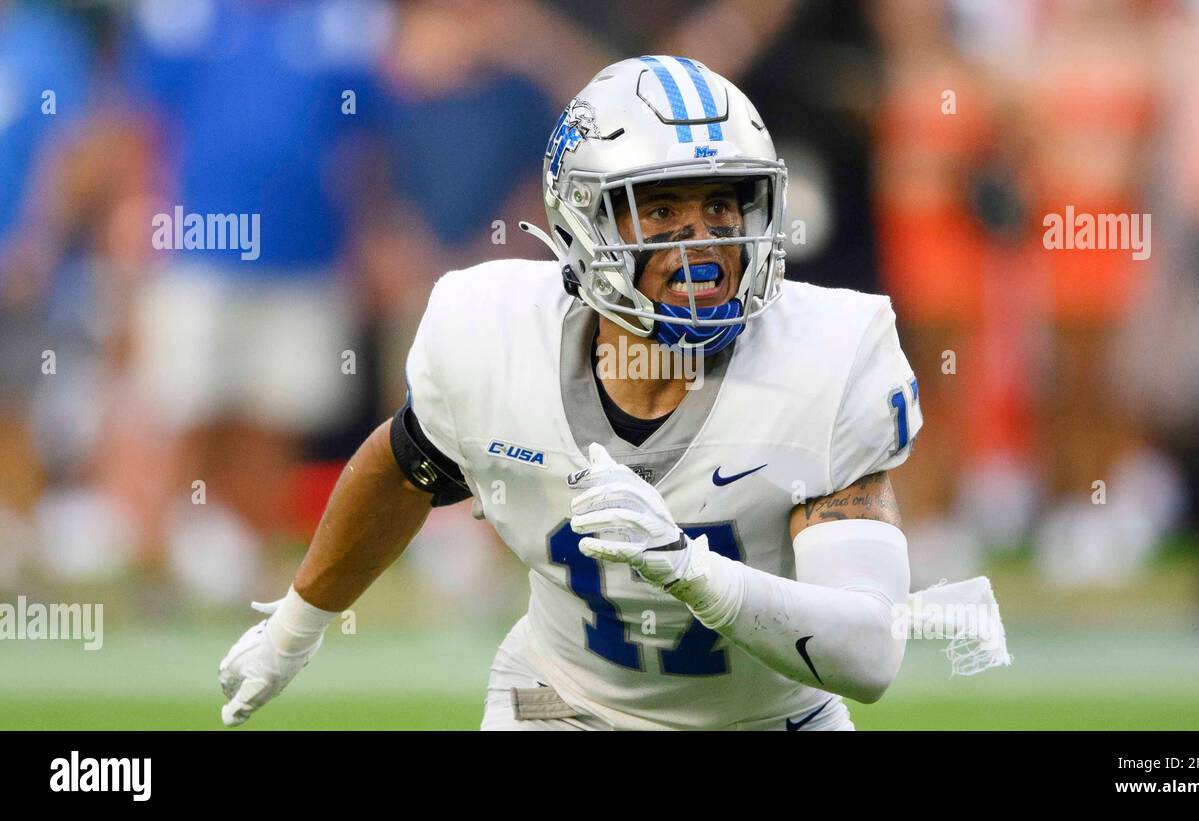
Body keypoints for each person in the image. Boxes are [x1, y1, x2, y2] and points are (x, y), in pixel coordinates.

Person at [218, 56, 925, 730]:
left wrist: (695, 574)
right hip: (563, 705)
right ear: (583, 220)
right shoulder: (494, 335)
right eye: (661, 207)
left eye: (721, 203)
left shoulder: (825, 356)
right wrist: (295, 625)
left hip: (772, 719)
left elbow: (868, 650)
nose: (703, 238)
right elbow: (405, 468)